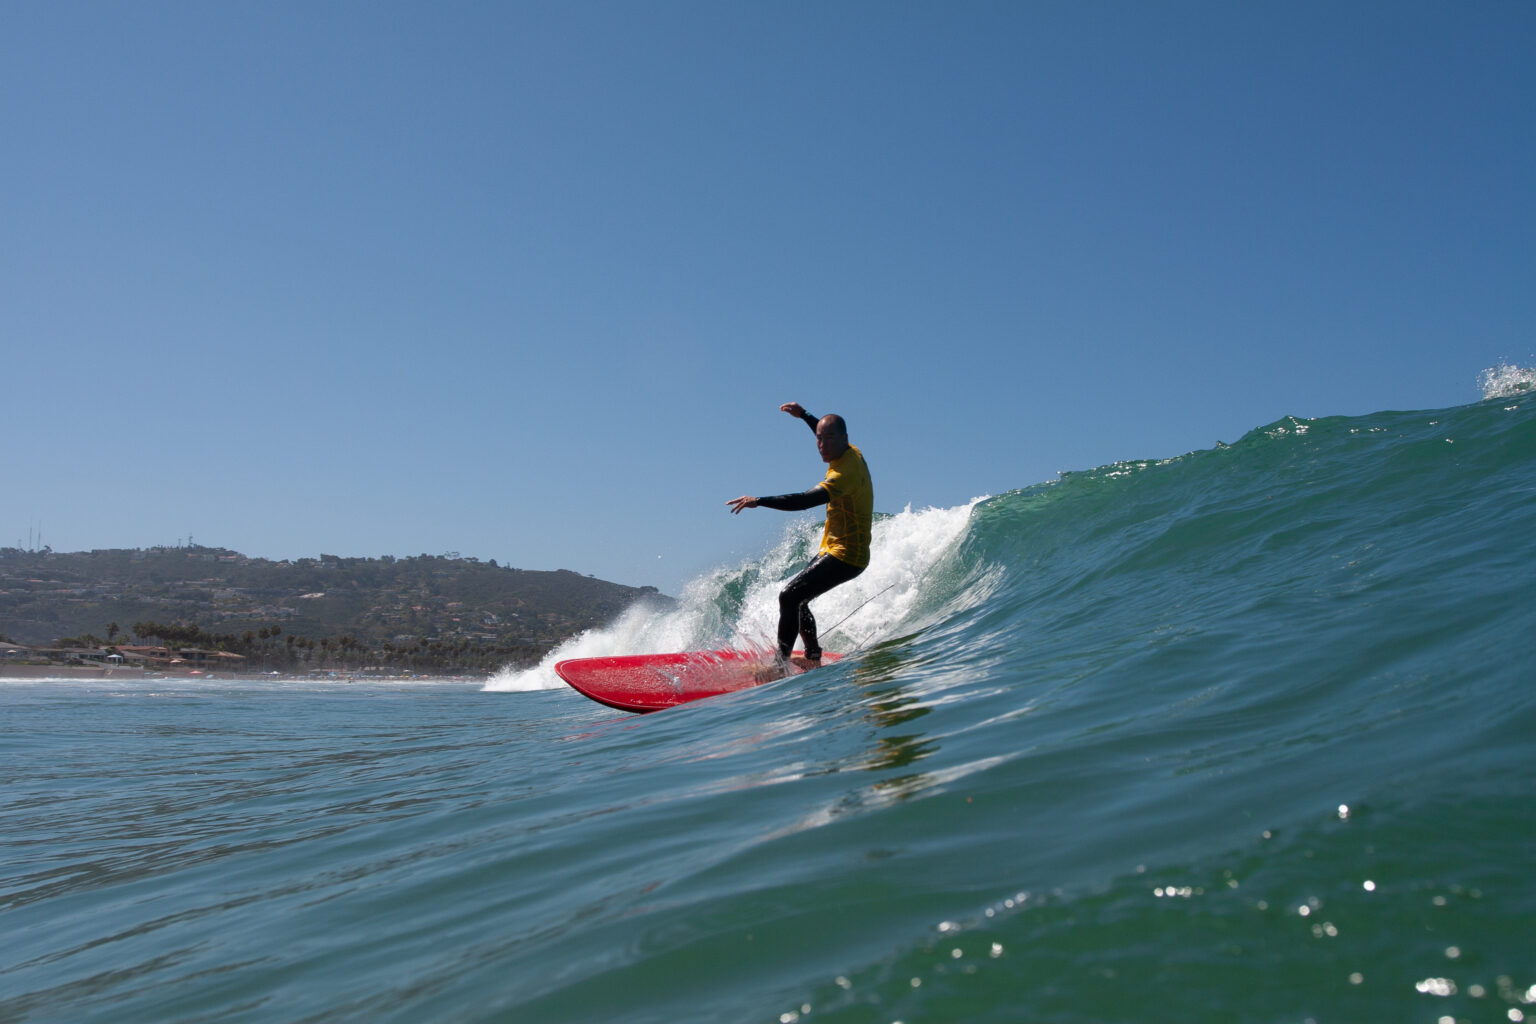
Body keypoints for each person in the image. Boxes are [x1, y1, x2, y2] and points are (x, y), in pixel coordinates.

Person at [727, 402, 873, 665]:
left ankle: (779, 665)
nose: (822, 445)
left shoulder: (845, 472)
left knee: (789, 596)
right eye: (819, 439)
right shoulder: (850, 451)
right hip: (834, 548)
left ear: (845, 439)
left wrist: (758, 500)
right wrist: (804, 416)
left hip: (848, 555)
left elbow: (804, 501)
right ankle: (813, 656)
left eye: (829, 439)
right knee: (799, 600)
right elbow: (825, 430)